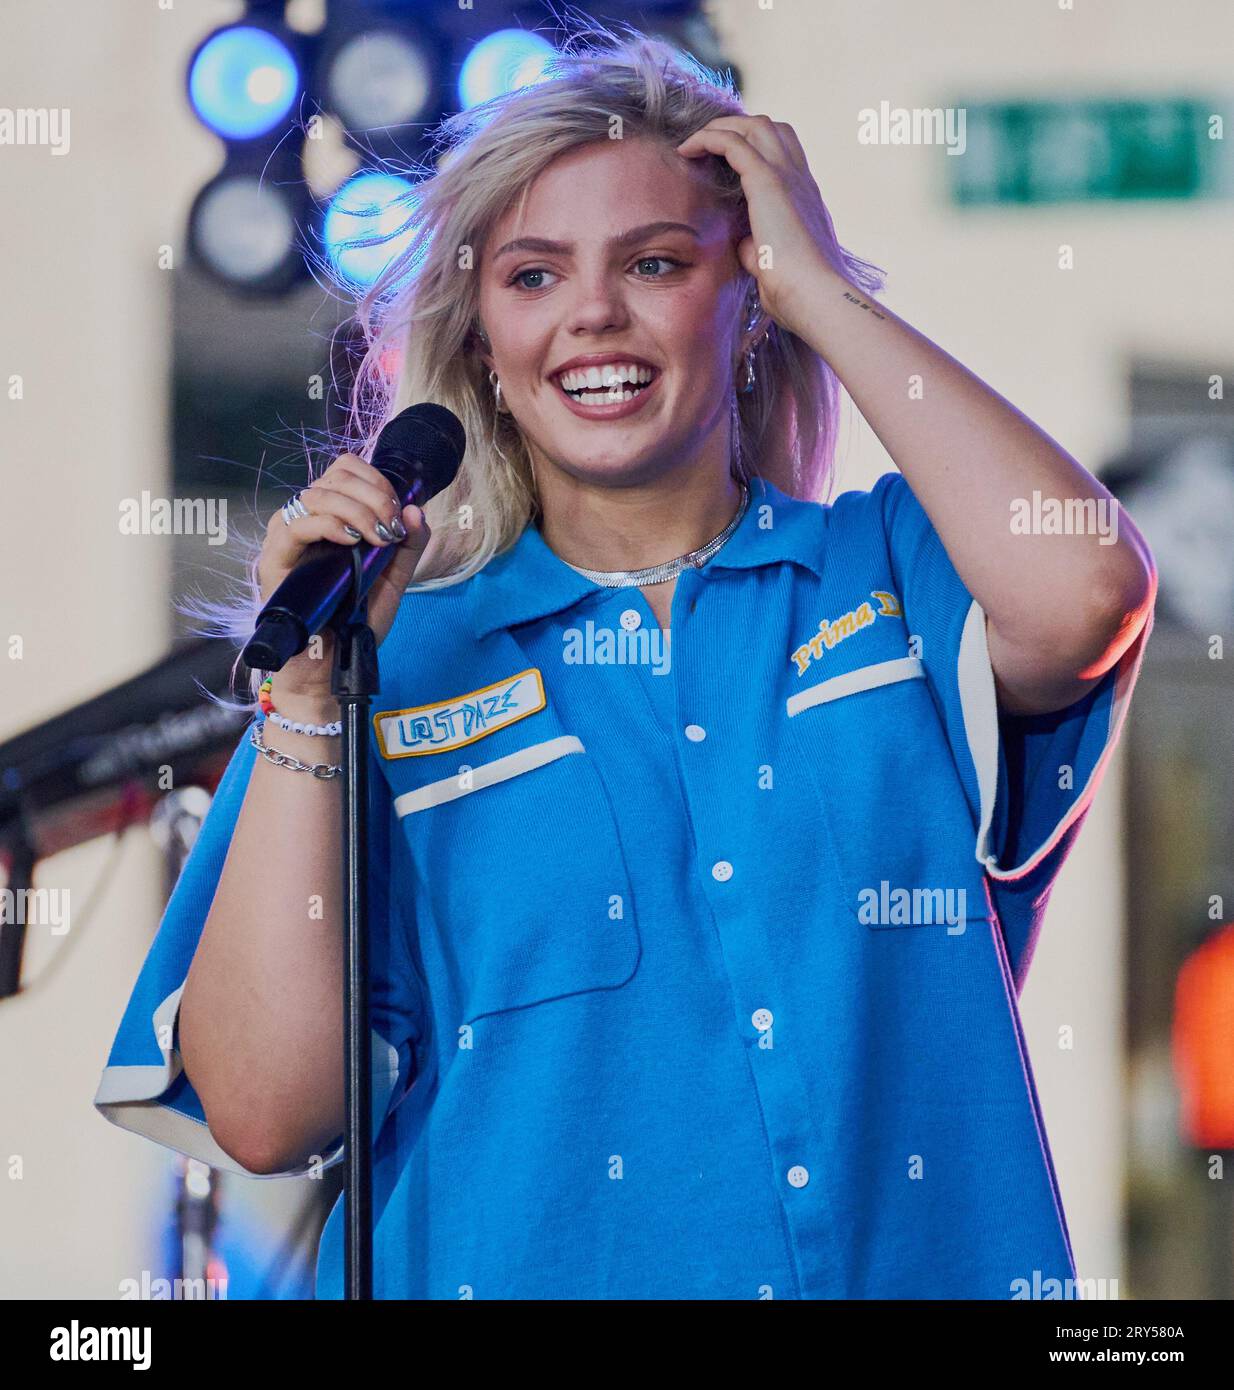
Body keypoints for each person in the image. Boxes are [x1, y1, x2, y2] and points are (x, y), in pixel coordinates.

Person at [95, 25, 1156, 1299]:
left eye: (655, 262)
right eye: (532, 276)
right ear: (480, 340)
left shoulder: (890, 571)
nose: (592, 311)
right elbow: (265, 1115)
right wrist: (308, 707)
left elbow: (1090, 587)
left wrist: (826, 290)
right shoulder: (385, 656)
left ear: (748, 298)